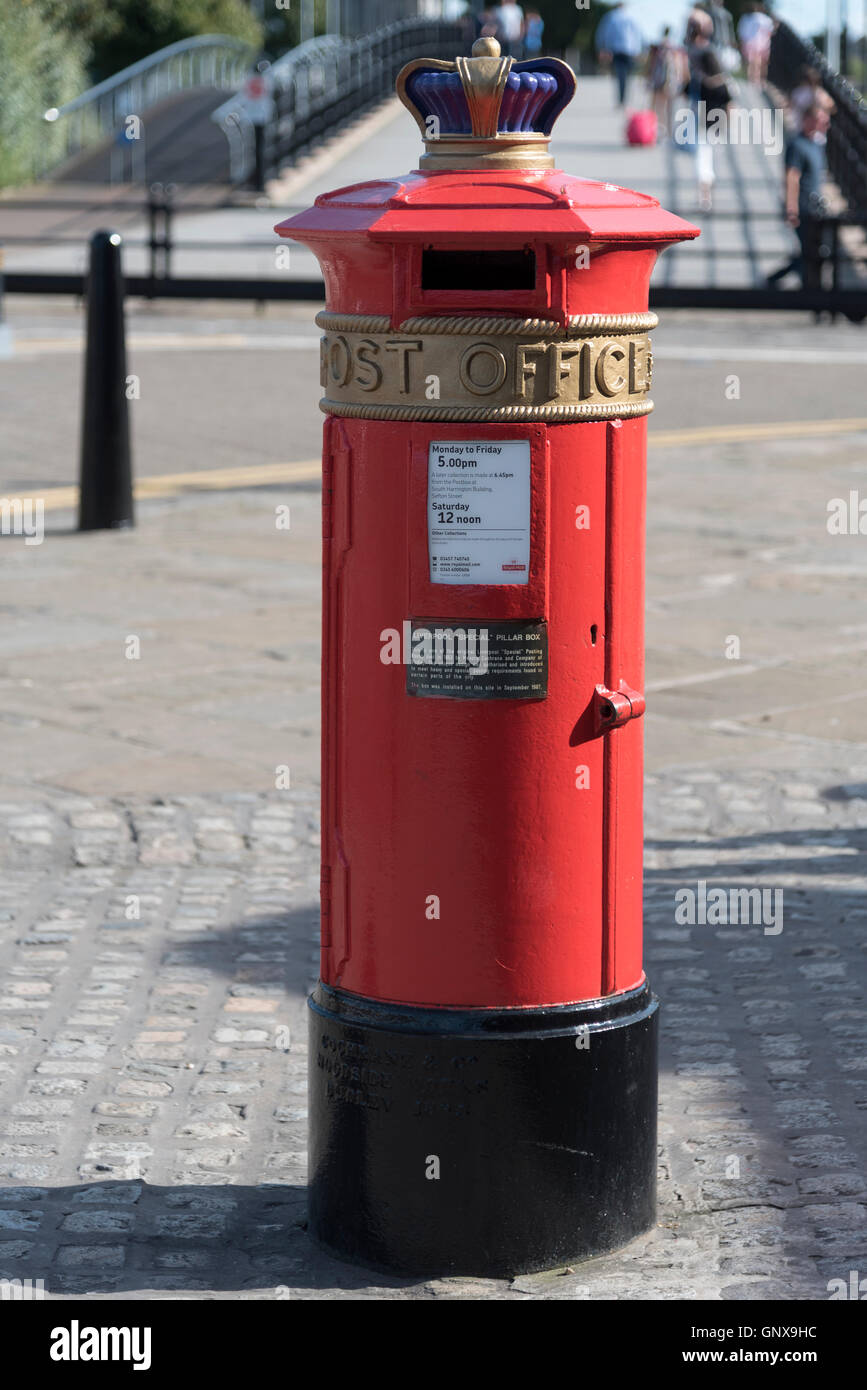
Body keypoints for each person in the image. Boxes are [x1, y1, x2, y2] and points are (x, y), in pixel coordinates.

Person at [767, 102, 831, 287]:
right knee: (809, 251)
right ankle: (808, 290)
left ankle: (781, 281)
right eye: (821, 121)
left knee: (811, 251)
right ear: (808, 120)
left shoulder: (817, 144)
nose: (825, 126)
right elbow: (791, 177)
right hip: (803, 207)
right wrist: (791, 208)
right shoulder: (797, 145)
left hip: (815, 208)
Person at [685, 9, 732, 210]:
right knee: (707, 152)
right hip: (712, 110)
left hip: (702, 109)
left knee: (703, 153)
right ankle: (706, 192)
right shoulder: (708, 52)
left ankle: (705, 193)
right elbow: (724, 88)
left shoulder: (692, 53)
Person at [595, 3, 645, 107]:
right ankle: (625, 99)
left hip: (616, 50)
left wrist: (603, 48)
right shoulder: (632, 16)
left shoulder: (611, 16)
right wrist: (639, 50)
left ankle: (621, 99)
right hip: (630, 51)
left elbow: (604, 33)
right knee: (627, 76)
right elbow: (638, 35)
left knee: (620, 76)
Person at [647, 26, 688, 137]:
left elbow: (651, 64)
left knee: (656, 106)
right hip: (671, 81)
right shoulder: (676, 47)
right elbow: (682, 66)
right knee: (670, 107)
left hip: (658, 79)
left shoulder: (658, 47)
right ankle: (669, 130)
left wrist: (648, 77)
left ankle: (655, 129)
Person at [738, 1, 775, 86]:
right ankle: (758, 80)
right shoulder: (765, 19)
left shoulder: (746, 18)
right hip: (762, 43)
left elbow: (742, 31)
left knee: (752, 62)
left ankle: (751, 79)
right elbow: (770, 31)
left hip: (751, 43)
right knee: (760, 63)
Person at [697, 0, 738, 71]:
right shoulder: (709, 12)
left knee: (725, 62)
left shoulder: (727, 14)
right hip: (712, 41)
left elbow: (730, 30)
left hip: (725, 42)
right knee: (714, 62)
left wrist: (732, 40)